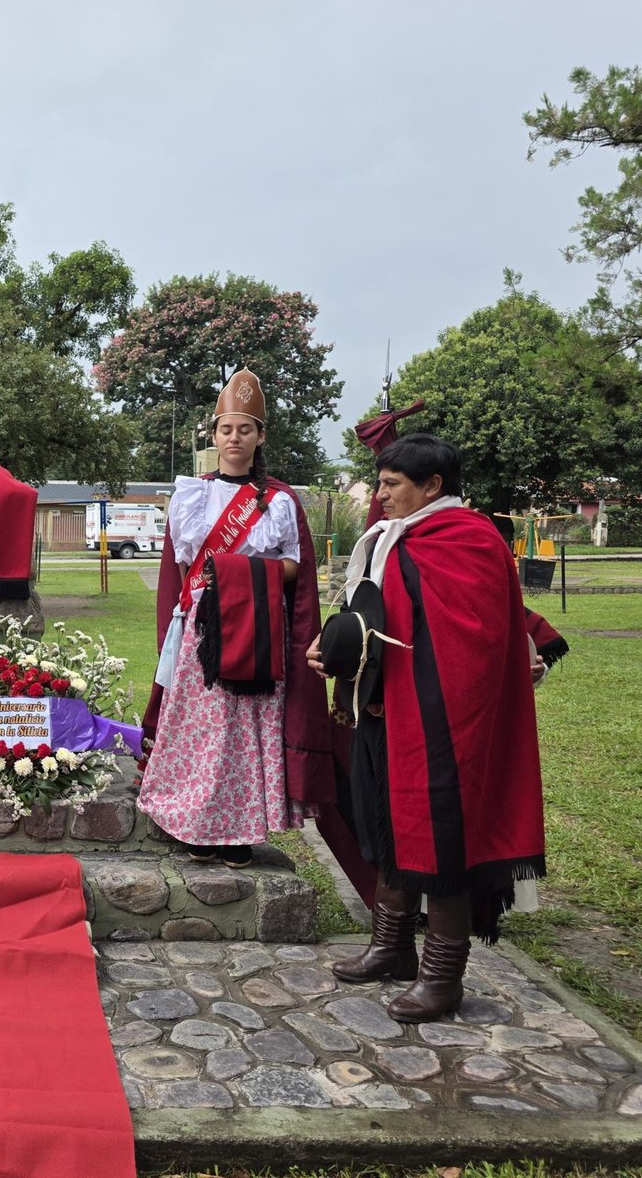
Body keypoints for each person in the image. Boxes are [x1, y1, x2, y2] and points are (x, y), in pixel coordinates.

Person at [308, 433, 546, 1023]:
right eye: (382, 483)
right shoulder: (397, 536)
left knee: (440, 838)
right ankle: (392, 949)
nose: (380, 495)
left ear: (432, 487)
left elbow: (473, 642)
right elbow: (378, 615)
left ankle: (443, 977)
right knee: (387, 826)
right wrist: (338, 645)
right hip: (385, 711)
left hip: (445, 723)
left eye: (391, 485)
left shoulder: (469, 540)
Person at [137, 369, 331, 868]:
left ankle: (239, 830)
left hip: (259, 622)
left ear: (260, 436)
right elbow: (183, 567)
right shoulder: (192, 495)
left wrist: (239, 573)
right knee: (201, 726)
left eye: (245, 429)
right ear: (215, 435)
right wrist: (212, 588)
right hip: (205, 623)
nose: (234, 438)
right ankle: (196, 822)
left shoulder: (279, 500)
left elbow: (293, 566)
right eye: (226, 429)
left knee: (245, 726)